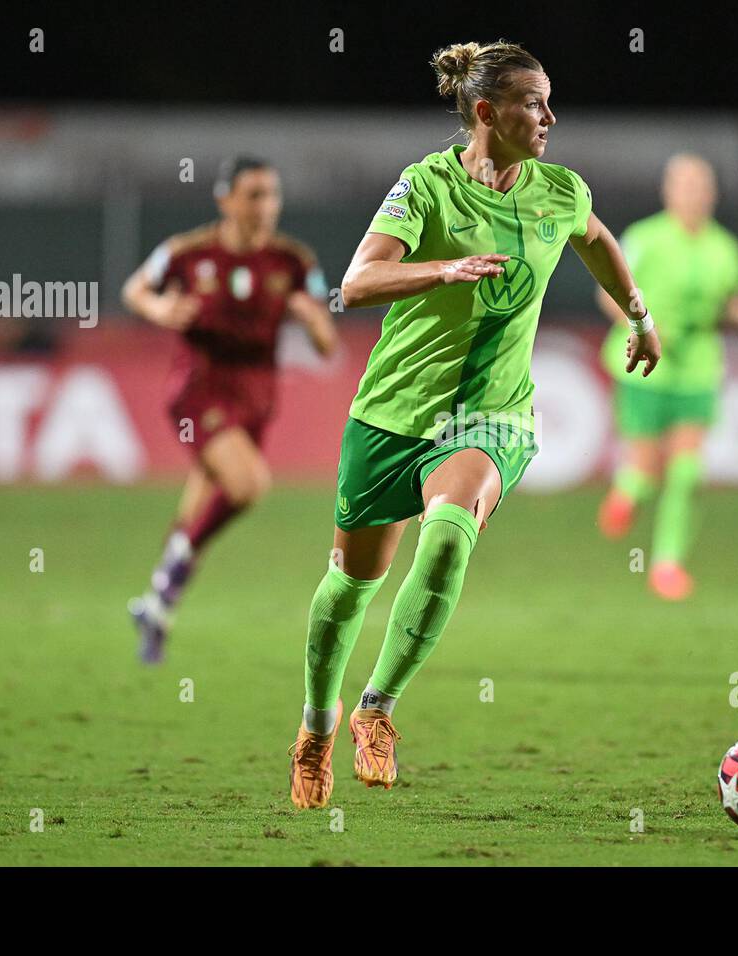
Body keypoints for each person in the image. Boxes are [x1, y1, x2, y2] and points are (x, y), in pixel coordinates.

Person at [286, 39, 661, 809]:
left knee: (450, 532)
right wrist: (441, 269)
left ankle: (378, 709)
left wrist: (638, 313)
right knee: (349, 588)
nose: (551, 116)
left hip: (491, 416)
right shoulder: (424, 187)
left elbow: (596, 240)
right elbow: (356, 283)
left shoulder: (560, 191)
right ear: (486, 112)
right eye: (534, 103)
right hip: (392, 415)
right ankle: (316, 729)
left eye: (551, 101)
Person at [122, 156, 337, 662]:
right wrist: (159, 309)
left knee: (200, 502)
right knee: (248, 485)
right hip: (200, 390)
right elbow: (135, 288)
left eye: (272, 195)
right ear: (226, 200)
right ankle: (165, 586)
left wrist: (312, 321)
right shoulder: (189, 253)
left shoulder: (294, 263)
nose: (266, 207)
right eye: (255, 195)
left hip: (258, 398)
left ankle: (158, 604)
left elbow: (327, 345)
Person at [595, 154, 738, 600]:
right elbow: (608, 291)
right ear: (668, 192)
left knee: (686, 470)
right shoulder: (644, 239)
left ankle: (666, 565)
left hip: (697, 368)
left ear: (713, 194)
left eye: (701, 187)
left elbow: (732, 303)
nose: (693, 195)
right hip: (644, 366)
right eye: (684, 186)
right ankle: (627, 492)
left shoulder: (724, 247)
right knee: (646, 470)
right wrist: (641, 327)